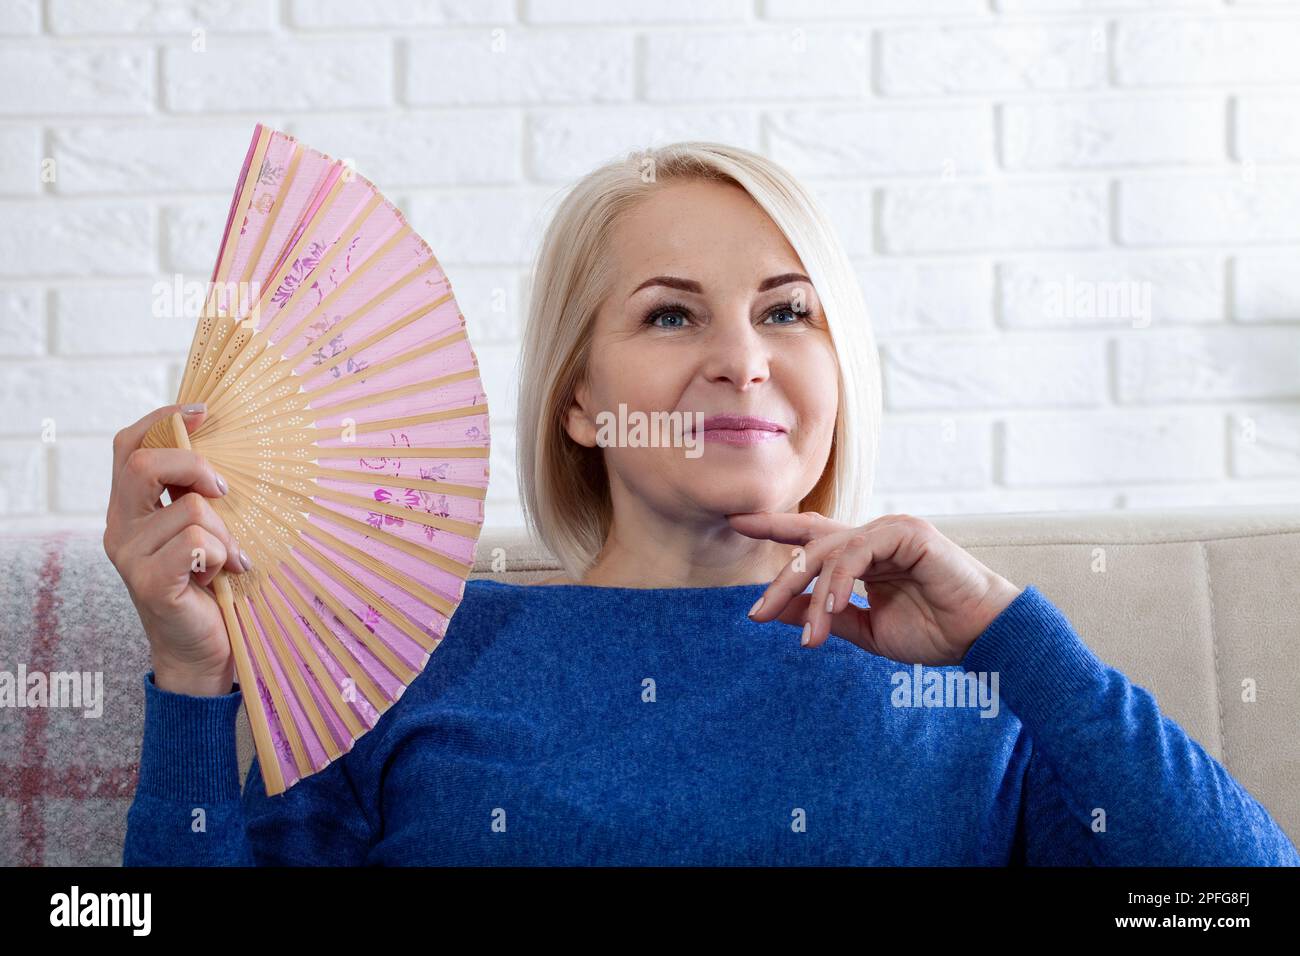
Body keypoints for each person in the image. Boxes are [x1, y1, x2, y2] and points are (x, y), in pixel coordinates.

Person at [108, 142, 1300, 865]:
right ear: (578, 400)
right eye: (670, 313)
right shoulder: (413, 644)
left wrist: (1005, 630)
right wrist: (192, 678)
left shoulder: (977, 674)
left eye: (788, 311)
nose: (742, 358)